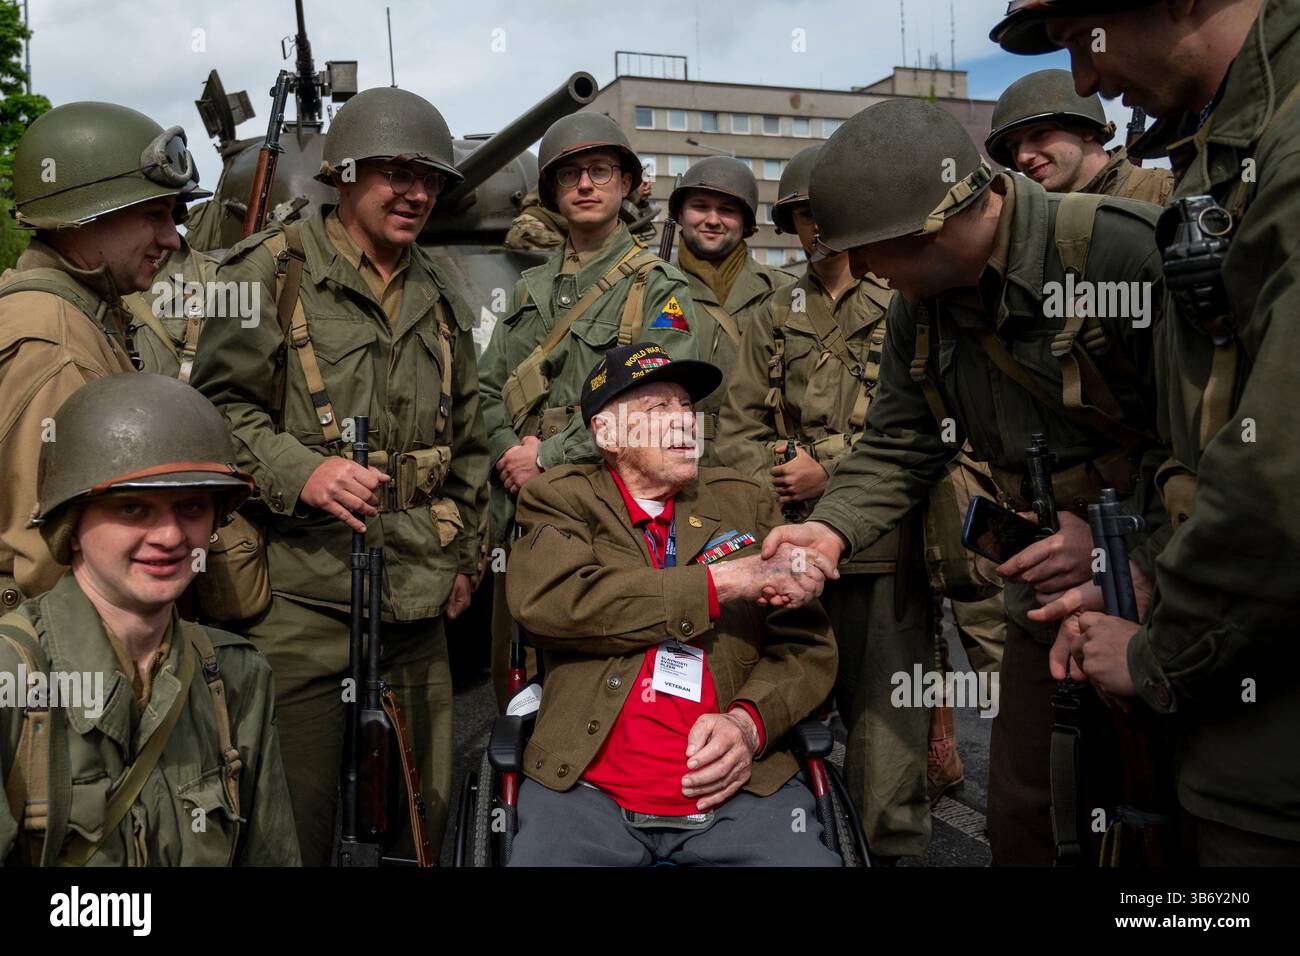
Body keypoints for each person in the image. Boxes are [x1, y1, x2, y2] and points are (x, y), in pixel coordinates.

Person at [760, 98, 1170, 866]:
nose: (865, 271)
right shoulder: (921, 307)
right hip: (1044, 592)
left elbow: (1222, 451)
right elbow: (897, 444)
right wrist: (830, 529)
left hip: (1173, 587)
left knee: (1184, 820)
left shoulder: (1118, 254)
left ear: (939, 222)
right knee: (1028, 814)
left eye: (872, 250)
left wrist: (1129, 553)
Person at [993, 0, 1300, 866]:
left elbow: (1278, 473)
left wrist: (1162, 654)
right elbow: (1198, 429)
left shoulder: (1275, 151)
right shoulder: (1225, 151)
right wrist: (1145, 567)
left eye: (1083, 39)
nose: (1086, 77)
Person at [191, 86, 489, 865]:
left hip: (416, 602)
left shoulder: (444, 293)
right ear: (344, 174)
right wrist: (302, 470)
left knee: (418, 825)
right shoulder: (268, 271)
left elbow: (472, 441)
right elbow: (216, 410)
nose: (417, 193)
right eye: (397, 173)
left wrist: (465, 556)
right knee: (288, 823)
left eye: (431, 179)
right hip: (302, 599)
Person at [504, 342, 840, 866]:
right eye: (658, 408)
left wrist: (749, 724)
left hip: (740, 793)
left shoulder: (742, 501)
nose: (685, 420)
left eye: (687, 406)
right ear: (607, 434)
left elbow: (805, 645)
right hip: (587, 792)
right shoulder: (561, 498)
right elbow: (553, 602)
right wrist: (725, 581)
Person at [715, 144, 934, 859]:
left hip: (881, 547)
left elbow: (921, 426)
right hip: (781, 544)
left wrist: (826, 470)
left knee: (887, 722)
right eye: (804, 215)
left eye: (828, 213)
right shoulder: (773, 310)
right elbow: (736, 430)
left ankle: (886, 851)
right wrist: (783, 472)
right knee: (775, 700)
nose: (818, 227)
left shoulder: (904, 297)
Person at [0, 373, 299, 866]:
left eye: (191, 507)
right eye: (132, 508)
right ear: (72, 526)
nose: (169, 536)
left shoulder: (235, 675)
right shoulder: (13, 676)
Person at [478, 112, 698, 709]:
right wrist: (510, 454)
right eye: (568, 174)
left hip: (612, 517)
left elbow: (657, 401)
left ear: (625, 183)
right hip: (523, 512)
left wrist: (547, 455)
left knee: (602, 684)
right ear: (551, 192)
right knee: (515, 688)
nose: (584, 184)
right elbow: (485, 391)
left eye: (600, 171)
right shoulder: (528, 290)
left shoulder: (660, 288)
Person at [0, 102, 209, 611]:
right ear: (84, 216)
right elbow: (46, 559)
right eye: (154, 215)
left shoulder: (67, 310)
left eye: (174, 216)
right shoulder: (59, 345)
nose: (172, 239)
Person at [670, 156, 793, 467]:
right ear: (680, 215)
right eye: (700, 207)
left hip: (758, 463)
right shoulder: (651, 287)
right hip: (673, 458)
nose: (713, 220)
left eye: (727, 210)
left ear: (747, 223)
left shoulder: (782, 292)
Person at [986, 68, 1174, 202]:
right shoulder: (1032, 219)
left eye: (1039, 134)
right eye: (1014, 146)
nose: (1022, 156)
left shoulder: (1163, 193)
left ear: (1085, 130)